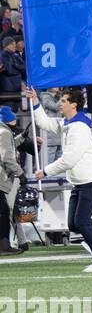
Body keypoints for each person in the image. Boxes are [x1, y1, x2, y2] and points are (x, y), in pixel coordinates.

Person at [26, 87, 92, 271]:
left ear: (74, 105)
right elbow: (43, 122)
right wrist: (34, 100)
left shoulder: (79, 128)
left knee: (82, 222)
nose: (60, 103)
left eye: (64, 101)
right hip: (79, 181)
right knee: (73, 224)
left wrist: (46, 171)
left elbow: (70, 159)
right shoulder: (67, 123)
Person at [0, 106, 24, 254]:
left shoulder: (3, 131)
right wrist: (20, 173)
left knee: (2, 211)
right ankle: (4, 246)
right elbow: (7, 157)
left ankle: (4, 245)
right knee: (3, 213)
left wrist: (22, 137)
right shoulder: (4, 132)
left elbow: (8, 147)